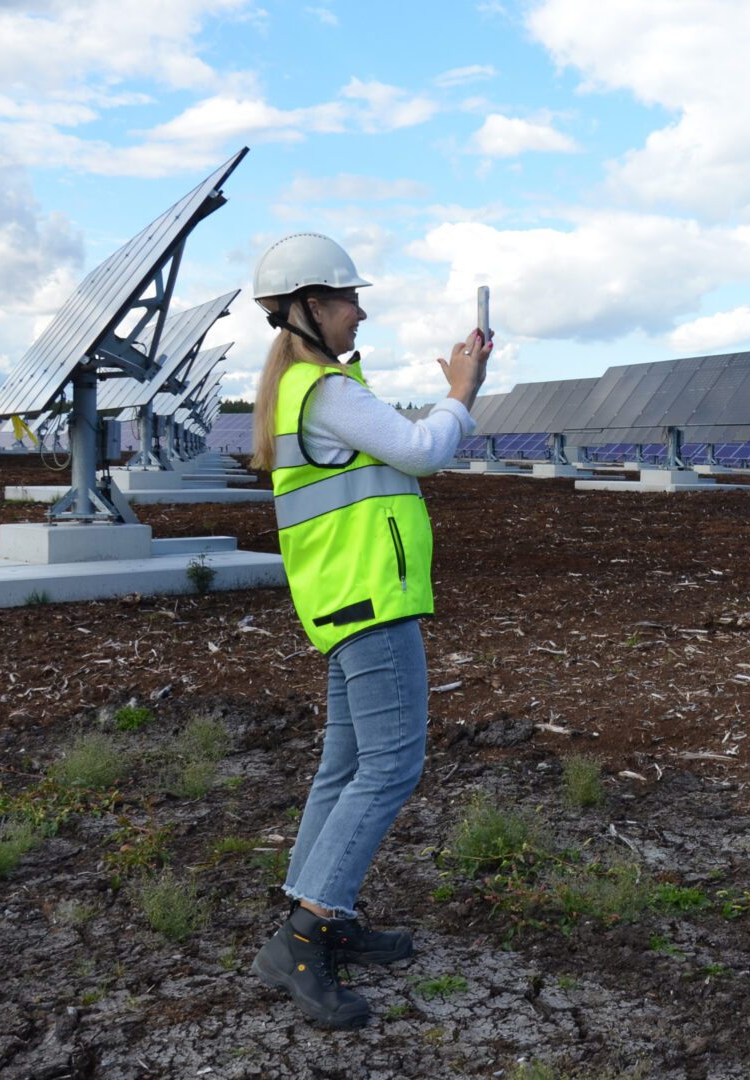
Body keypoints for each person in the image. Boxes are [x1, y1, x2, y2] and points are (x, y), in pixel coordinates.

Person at [245, 232, 490, 1028]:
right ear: (309, 308)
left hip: (341, 601)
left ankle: (318, 915)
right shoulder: (324, 388)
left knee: (344, 764)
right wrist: (464, 387)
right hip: (371, 603)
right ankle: (307, 937)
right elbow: (422, 452)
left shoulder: (303, 390)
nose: (359, 311)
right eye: (349, 298)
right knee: (389, 767)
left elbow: (388, 452)